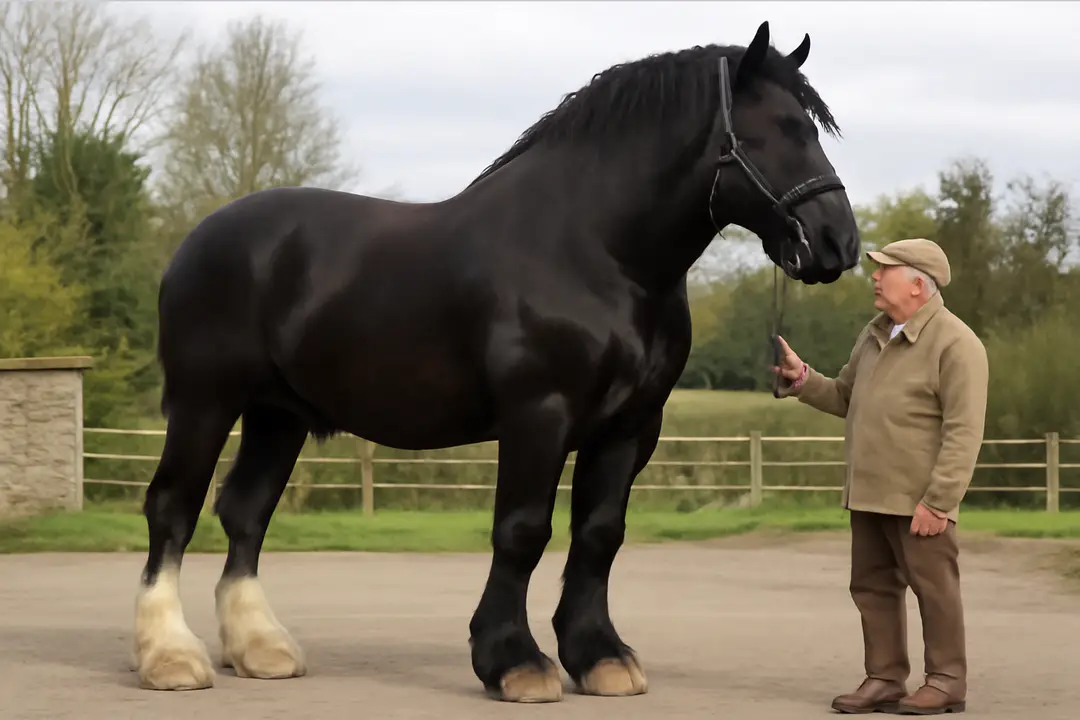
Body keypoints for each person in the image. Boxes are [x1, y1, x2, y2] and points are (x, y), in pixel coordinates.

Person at [772, 237, 989, 715]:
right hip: (868, 493)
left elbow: (964, 432)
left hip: (919, 501)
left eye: (885, 269)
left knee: (935, 590)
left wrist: (939, 501)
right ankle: (885, 678)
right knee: (871, 588)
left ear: (917, 284)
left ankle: (947, 680)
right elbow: (846, 397)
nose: (874, 276)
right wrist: (804, 380)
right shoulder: (875, 334)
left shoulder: (957, 344)